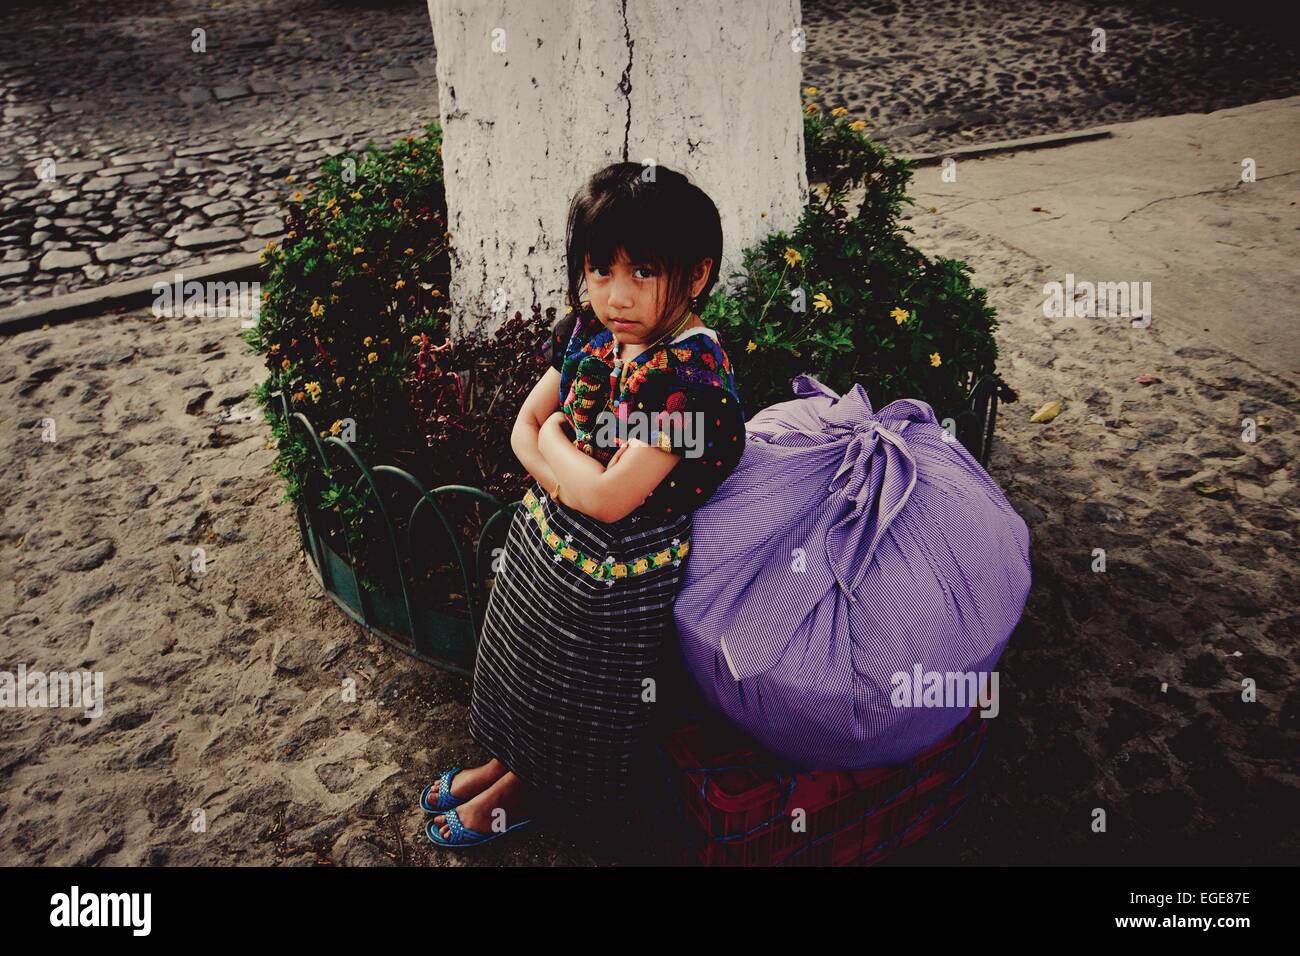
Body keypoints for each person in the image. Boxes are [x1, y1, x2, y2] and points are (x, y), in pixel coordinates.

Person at [420, 162, 746, 847]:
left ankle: (528, 788)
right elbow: (520, 427)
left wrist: (556, 448)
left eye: (644, 272)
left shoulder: (688, 379)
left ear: (695, 275)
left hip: (619, 572)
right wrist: (562, 459)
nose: (616, 295)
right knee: (525, 654)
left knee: (576, 688)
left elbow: (608, 498)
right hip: (549, 540)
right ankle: (506, 760)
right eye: (601, 270)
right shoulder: (588, 332)